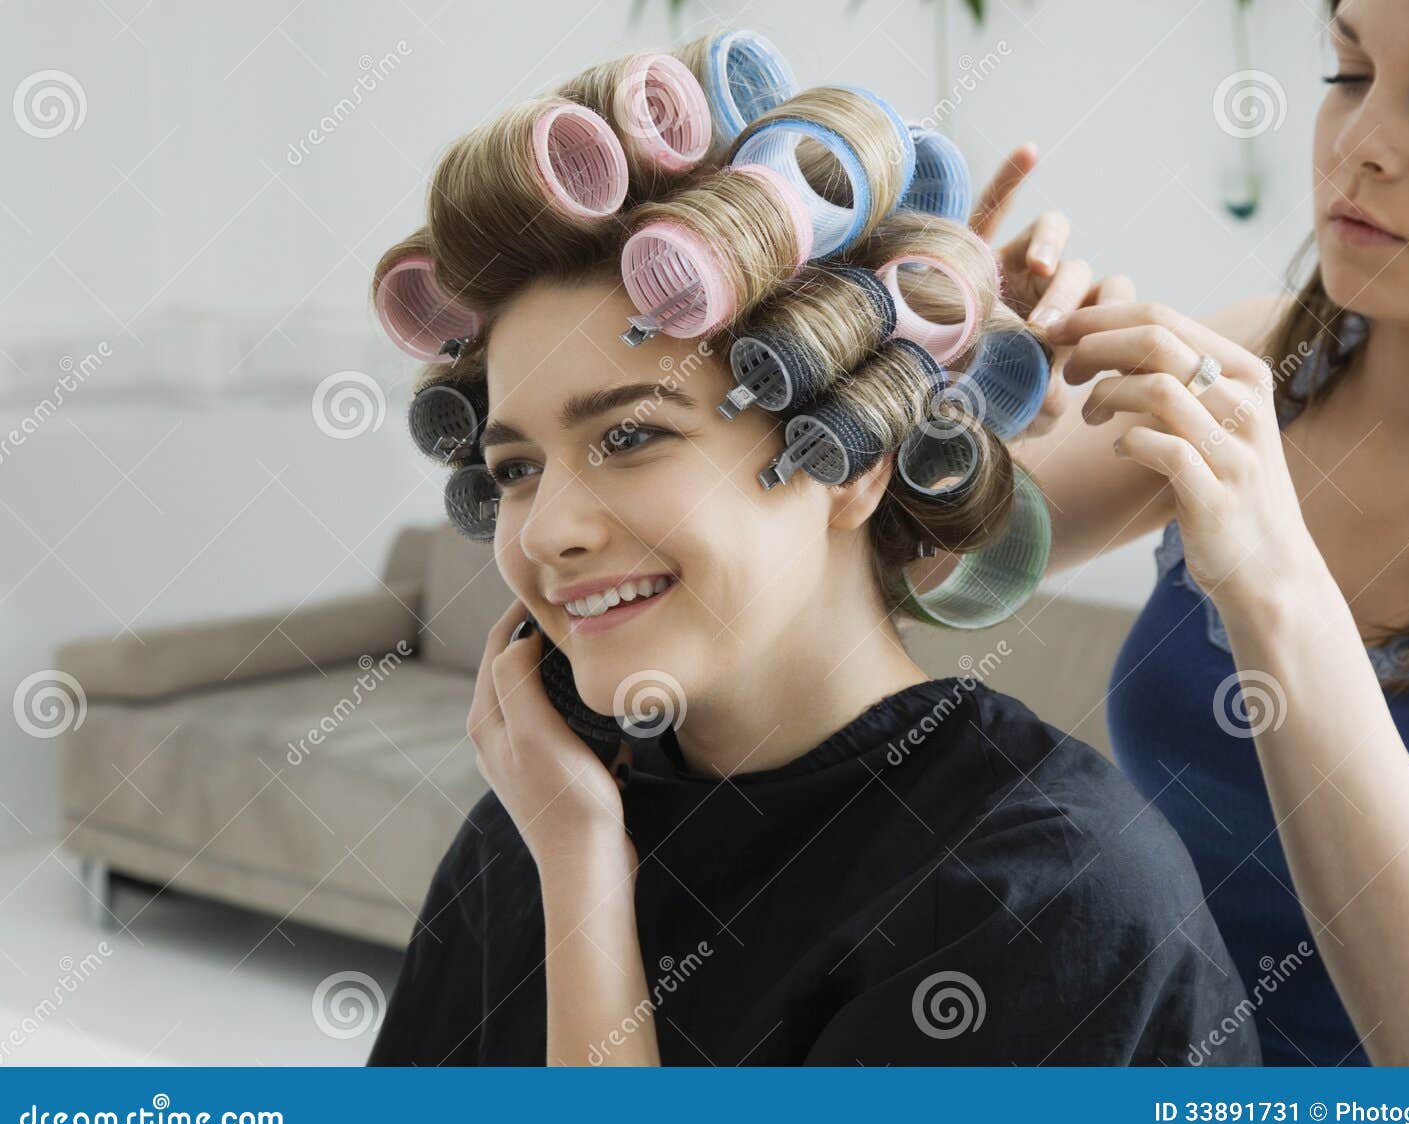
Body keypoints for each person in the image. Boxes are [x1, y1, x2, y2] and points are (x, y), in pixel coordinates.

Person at [363, 37, 1258, 1067]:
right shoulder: (537, 817)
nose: (549, 529)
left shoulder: (1040, 892)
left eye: (629, 436)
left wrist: (586, 891)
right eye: (517, 466)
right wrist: (567, 853)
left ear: (847, 464)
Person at [980, 0, 1409, 1064]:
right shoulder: (1260, 365)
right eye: (1348, 72)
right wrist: (956, 384)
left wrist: (1271, 578)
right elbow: (934, 569)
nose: (1358, 144)